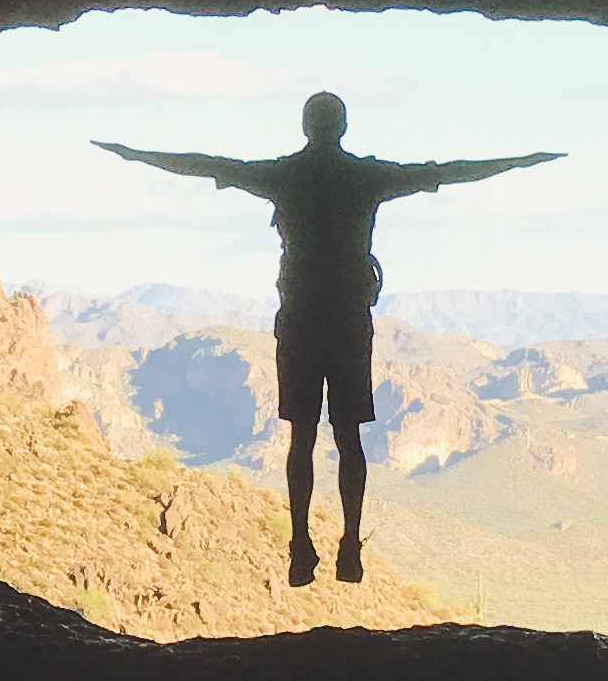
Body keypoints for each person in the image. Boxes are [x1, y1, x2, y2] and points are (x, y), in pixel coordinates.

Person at [98, 95, 560, 585]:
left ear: (304, 126)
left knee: (302, 435)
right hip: (347, 321)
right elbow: (445, 171)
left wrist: (135, 154)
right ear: (344, 126)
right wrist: (519, 161)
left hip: (299, 318)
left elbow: (208, 165)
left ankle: (300, 544)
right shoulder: (366, 177)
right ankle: (350, 546)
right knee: (349, 437)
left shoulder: (283, 175)